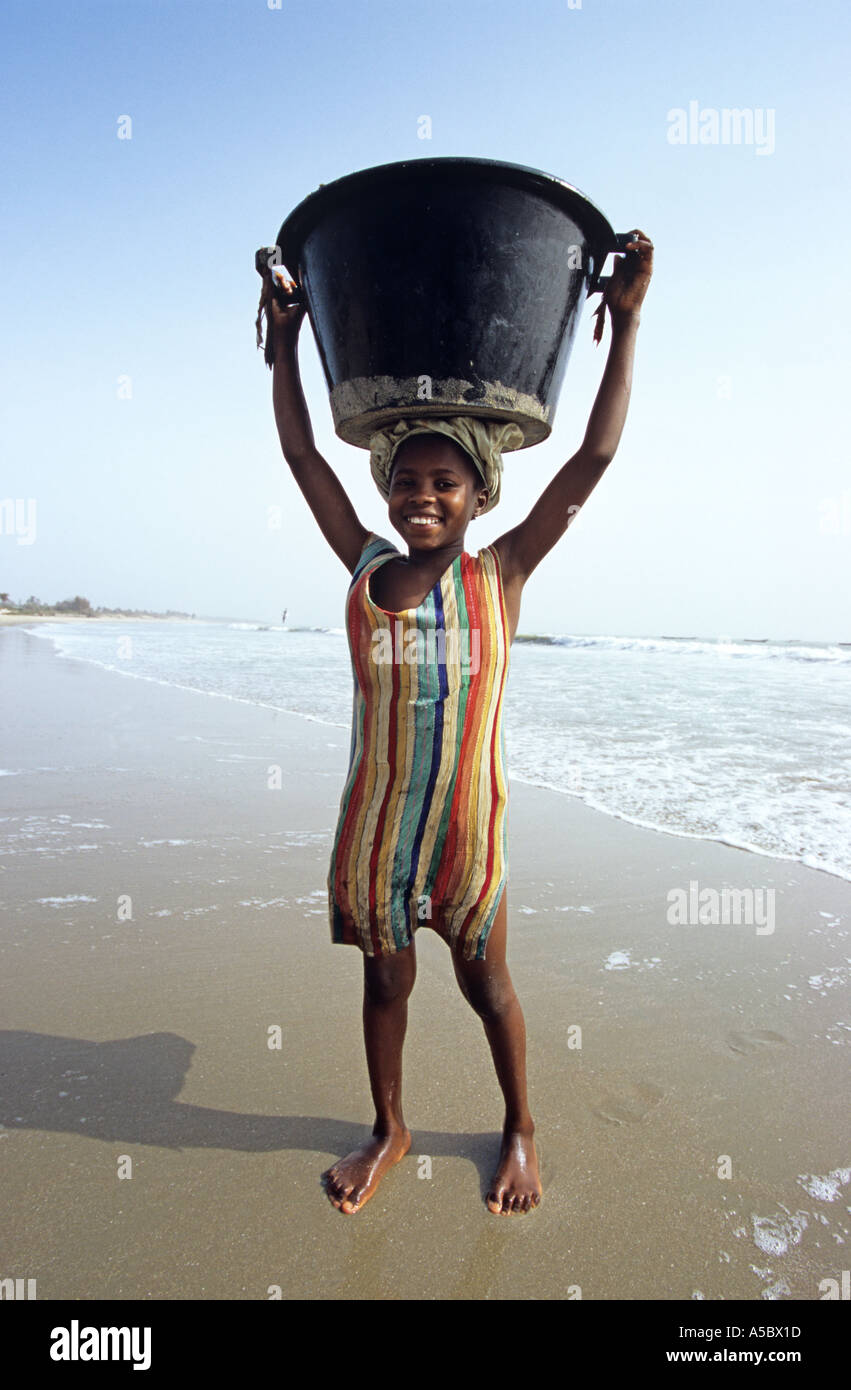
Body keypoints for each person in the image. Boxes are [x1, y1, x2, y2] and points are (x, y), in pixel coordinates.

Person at [258, 232, 653, 1214]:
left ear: (479, 495)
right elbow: (304, 453)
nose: (420, 495)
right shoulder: (361, 567)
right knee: (386, 985)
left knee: (488, 989)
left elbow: (593, 457)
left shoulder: (501, 575)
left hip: (469, 834)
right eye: (405, 480)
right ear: (384, 490)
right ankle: (389, 1126)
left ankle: (519, 1124)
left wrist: (628, 321)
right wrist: (284, 347)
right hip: (378, 832)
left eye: (443, 483)